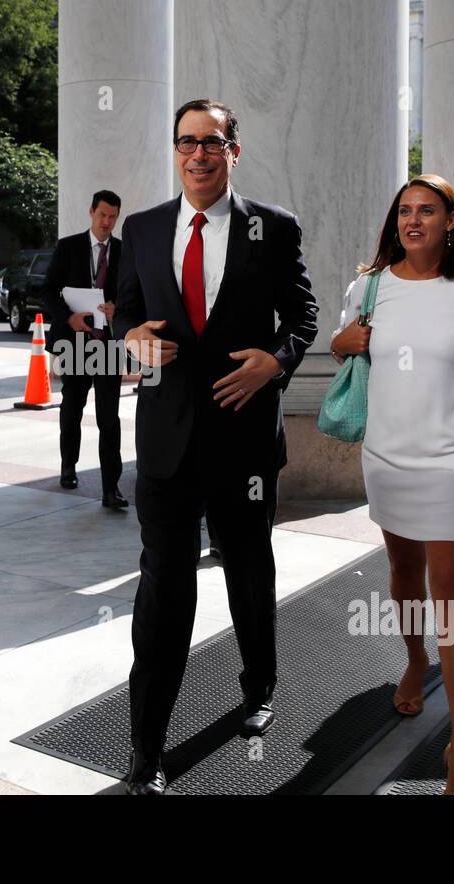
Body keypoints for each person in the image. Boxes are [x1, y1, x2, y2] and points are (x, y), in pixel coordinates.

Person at [114, 99, 318, 794]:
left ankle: (259, 686)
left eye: (212, 142)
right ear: (175, 151)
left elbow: (304, 314)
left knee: (249, 578)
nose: (198, 154)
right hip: (166, 448)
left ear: (234, 150)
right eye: (186, 142)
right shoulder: (141, 229)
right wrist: (132, 337)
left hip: (244, 445)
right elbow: (125, 309)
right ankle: (147, 748)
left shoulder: (273, 228)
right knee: (162, 597)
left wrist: (276, 361)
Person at [329, 174, 454, 795]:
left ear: (450, 223)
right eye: (405, 211)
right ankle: (413, 662)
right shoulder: (368, 287)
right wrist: (342, 340)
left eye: (427, 211)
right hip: (387, 457)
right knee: (403, 572)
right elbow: (342, 345)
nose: (414, 220)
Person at [44, 190, 129, 509]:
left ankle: (111, 489)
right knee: (72, 408)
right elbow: (48, 291)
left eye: (112, 217)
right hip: (74, 340)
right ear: (91, 211)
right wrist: (69, 317)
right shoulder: (68, 247)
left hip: (107, 344)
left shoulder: (124, 251)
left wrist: (117, 309)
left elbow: (133, 294)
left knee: (109, 418)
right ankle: (68, 466)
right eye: (102, 215)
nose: (107, 222)